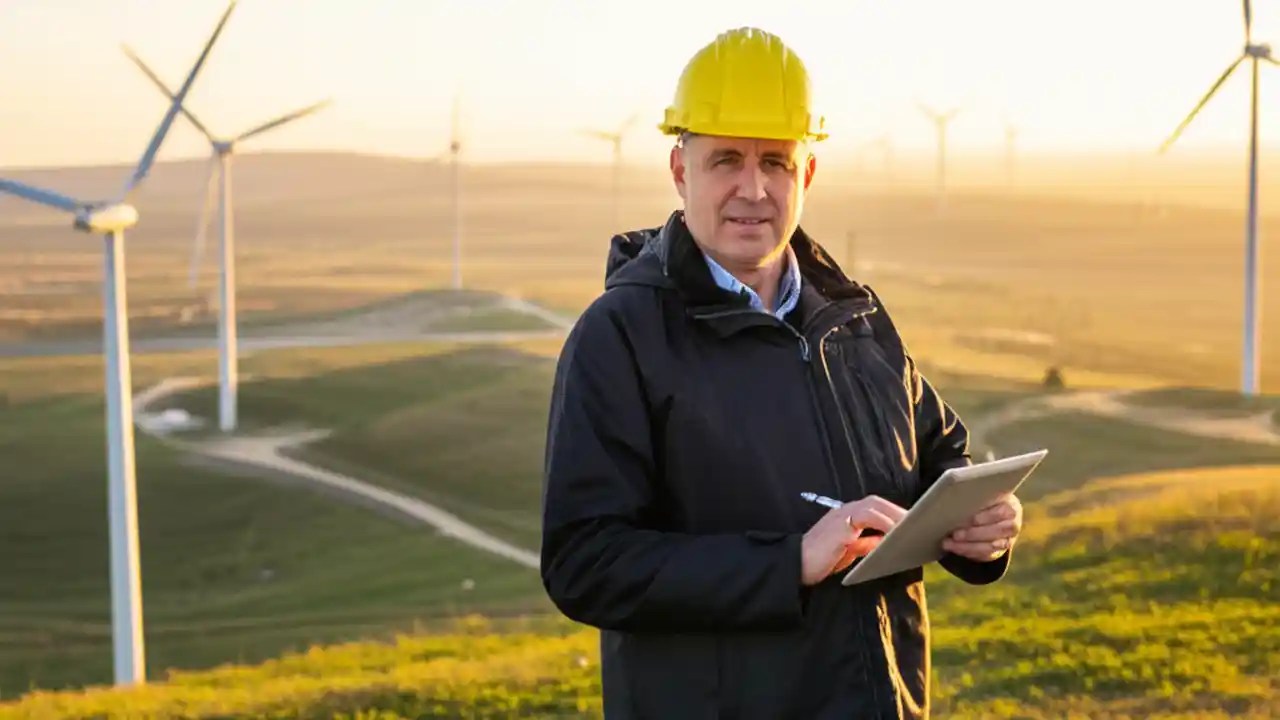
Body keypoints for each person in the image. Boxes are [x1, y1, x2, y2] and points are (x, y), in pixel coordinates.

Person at [540, 27, 1023, 720]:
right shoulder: (619, 338)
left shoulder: (854, 320)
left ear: (809, 173)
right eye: (726, 160)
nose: (753, 188)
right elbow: (585, 564)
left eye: (776, 161)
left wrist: (982, 530)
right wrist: (788, 563)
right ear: (680, 170)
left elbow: (943, 460)